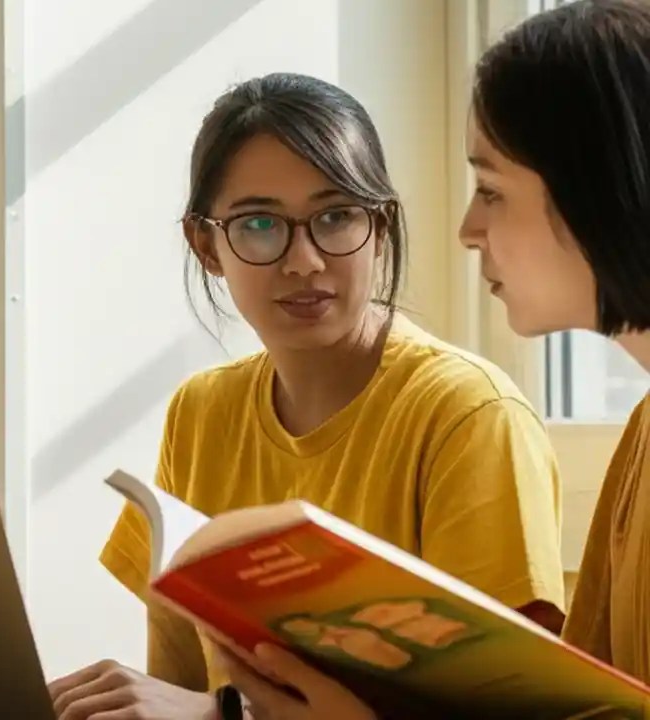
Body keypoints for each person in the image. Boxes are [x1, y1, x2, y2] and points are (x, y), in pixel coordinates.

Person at [47, 72, 568, 720]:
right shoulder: (200, 414)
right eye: (260, 224)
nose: (304, 261)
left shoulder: (468, 416)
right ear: (206, 243)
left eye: (336, 216)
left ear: (379, 226)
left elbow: (507, 713)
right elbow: (178, 686)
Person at [209, 2, 650, 718]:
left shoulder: (468, 409)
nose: (468, 229)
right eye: (258, 224)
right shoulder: (642, 436)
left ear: (595, 187)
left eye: (492, 190)